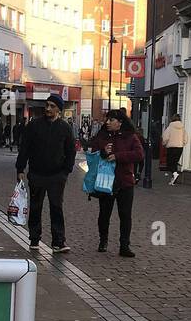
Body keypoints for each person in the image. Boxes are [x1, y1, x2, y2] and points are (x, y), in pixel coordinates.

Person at [15, 93, 76, 253]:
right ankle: (34, 239)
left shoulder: (65, 128)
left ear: (59, 110)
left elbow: (70, 151)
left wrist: (66, 171)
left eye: (52, 106)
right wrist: (20, 168)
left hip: (57, 175)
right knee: (36, 207)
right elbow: (25, 148)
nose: (48, 109)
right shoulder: (34, 125)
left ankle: (58, 241)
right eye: (47, 105)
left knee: (57, 208)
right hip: (37, 173)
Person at [88, 110, 144, 257]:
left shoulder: (131, 137)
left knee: (125, 215)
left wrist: (118, 156)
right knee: (104, 214)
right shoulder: (102, 135)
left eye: (111, 119)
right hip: (106, 182)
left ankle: (124, 245)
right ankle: (103, 240)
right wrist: (102, 151)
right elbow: (92, 151)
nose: (107, 122)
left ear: (120, 122)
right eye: (107, 119)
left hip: (125, 182)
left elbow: (139, 154)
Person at [162, 113, 186, 181]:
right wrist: (182, 143)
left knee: (170, 163)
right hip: (180, 147)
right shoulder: (182, 128)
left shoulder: (170, 127)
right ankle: (174, 179)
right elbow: (186, 138)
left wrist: (164, 143)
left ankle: (175, 174)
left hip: (171, 147)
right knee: (175, 162)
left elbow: (165, 138)